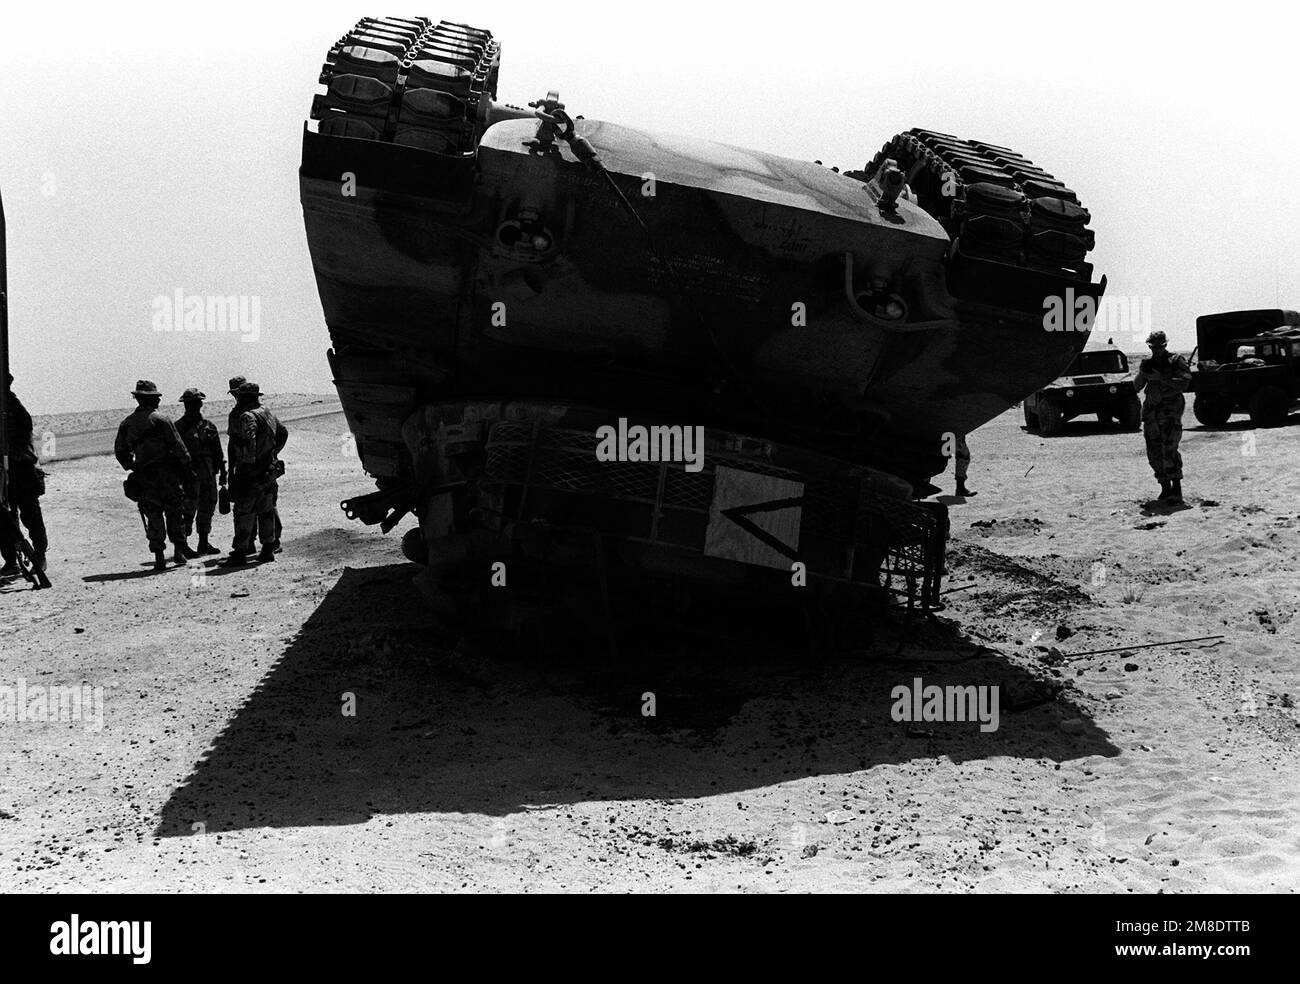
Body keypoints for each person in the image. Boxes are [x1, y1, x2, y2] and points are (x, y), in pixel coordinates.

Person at [114, 380, 194, 570]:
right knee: (174, 511)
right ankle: (178, 553)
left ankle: (159, 557)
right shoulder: (162, 419)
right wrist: (187, 467)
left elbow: (120, 450)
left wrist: (132, 466)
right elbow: (178, 446)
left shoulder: (127, 423)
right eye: (156, 397)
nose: (158, 400)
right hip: (167, 474)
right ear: (150, 399)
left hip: (145, 475)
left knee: (153, 514)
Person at [222, 381, 288, 566]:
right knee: (266, 510)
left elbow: (248, 443)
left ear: (244, 398)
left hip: (251, 472)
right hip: (268, 470)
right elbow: (283, 433)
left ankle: (240, 552)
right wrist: (272, 454)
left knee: (244, 511)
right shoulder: (267, 412)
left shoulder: (247, 416)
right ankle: (267, 549)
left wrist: (245, 469)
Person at [1133, 330, 1191, 503]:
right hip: (1152, 412)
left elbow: (1185, 383)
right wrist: (1143, 374)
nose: (1157, 349)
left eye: (1160, 346)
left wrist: (1163, 378)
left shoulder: (1175, 361)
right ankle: (1165, 487)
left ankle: (1176, 488)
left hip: (1170, 411)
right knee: (1154, 451)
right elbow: (1136, 387)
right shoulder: (1148, 364)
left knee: (1170, 448)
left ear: (1165, 345)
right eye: (1153, 346)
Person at [0, 373, 49, 574]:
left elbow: (24, 428)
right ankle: (12, 559)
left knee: (30, 513)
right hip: (3, 471)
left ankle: (39, 553)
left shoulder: (12, 406)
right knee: (4, 518)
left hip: (20, 467)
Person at [176, 388, 225, 556]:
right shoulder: (178, 428)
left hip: (208, 472)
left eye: (196, 402)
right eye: (190, 403)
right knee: (187, 509)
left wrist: (223, 472)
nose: (194, 406)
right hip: (188, 475)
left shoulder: (209, 426)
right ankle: (183, 546)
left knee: (208, 507)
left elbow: (218, 451)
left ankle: (203, 543)